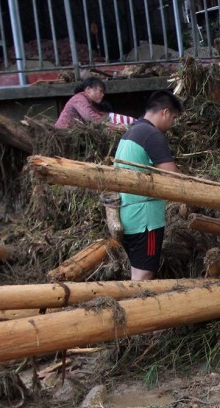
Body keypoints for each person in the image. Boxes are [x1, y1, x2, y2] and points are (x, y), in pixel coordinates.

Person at [113, 89, 183, 281]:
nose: (172, 124)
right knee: (144, 273)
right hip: (145, 220)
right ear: (165, 112)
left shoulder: (131, 132)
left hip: (127, 215)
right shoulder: (151, 134)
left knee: (137, 270)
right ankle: (138, 309)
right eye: (174, 118)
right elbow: (171, 176)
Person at [54, 78, 136, 129]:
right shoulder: (78, 99)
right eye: (100, 91)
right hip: (62, 134)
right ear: (88, 90)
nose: (102, 94)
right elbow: (91, 118)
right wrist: (116, 126)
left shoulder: (85, 101)